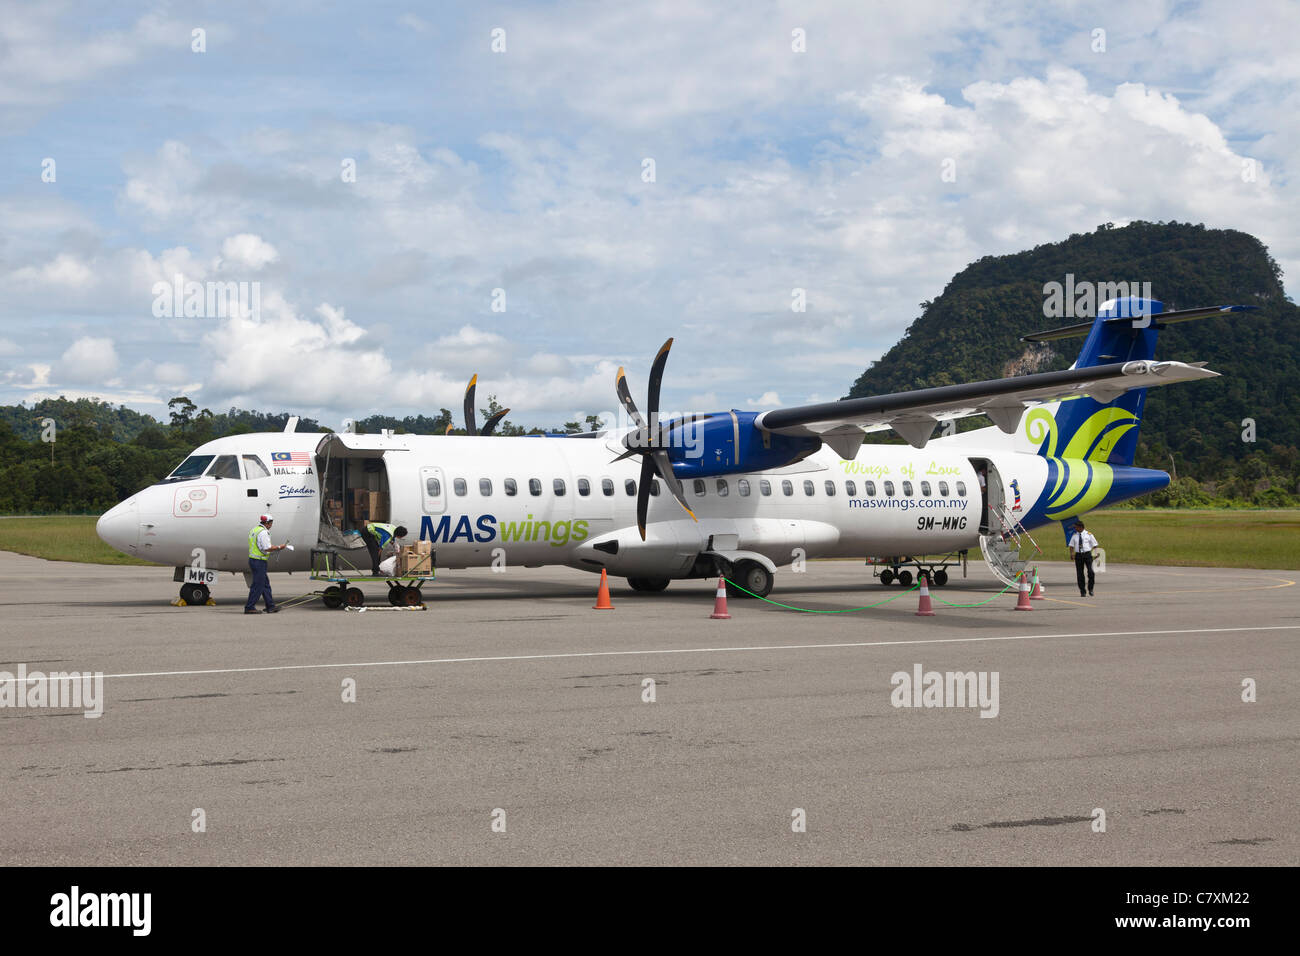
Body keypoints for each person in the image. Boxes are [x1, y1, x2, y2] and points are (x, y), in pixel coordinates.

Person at [246, 514, 288, 614]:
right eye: (271, 523)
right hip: (259, 561)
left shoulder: (254, 530)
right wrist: (279, 547)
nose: (271, 525)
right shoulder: (264, 532)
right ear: (267, 523)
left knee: (265, 585)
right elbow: (266, 547)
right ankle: (249, 607)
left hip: (254, 560)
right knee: (258, 586)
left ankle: (270, 606)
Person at [1067, 519, 1100, 597]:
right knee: (1080, 574)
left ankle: (1091, 589)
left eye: (1076, 527)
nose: (1075, 529)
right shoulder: (1074, 535)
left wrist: (1096, 553)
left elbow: (1094, 545)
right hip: (1078, 555)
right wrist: (1072, 554)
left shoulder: (1089, 535)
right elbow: (1071, 546)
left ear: (1080, 527)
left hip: (1087, 555)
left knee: (1091, 572)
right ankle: (1082, 591)